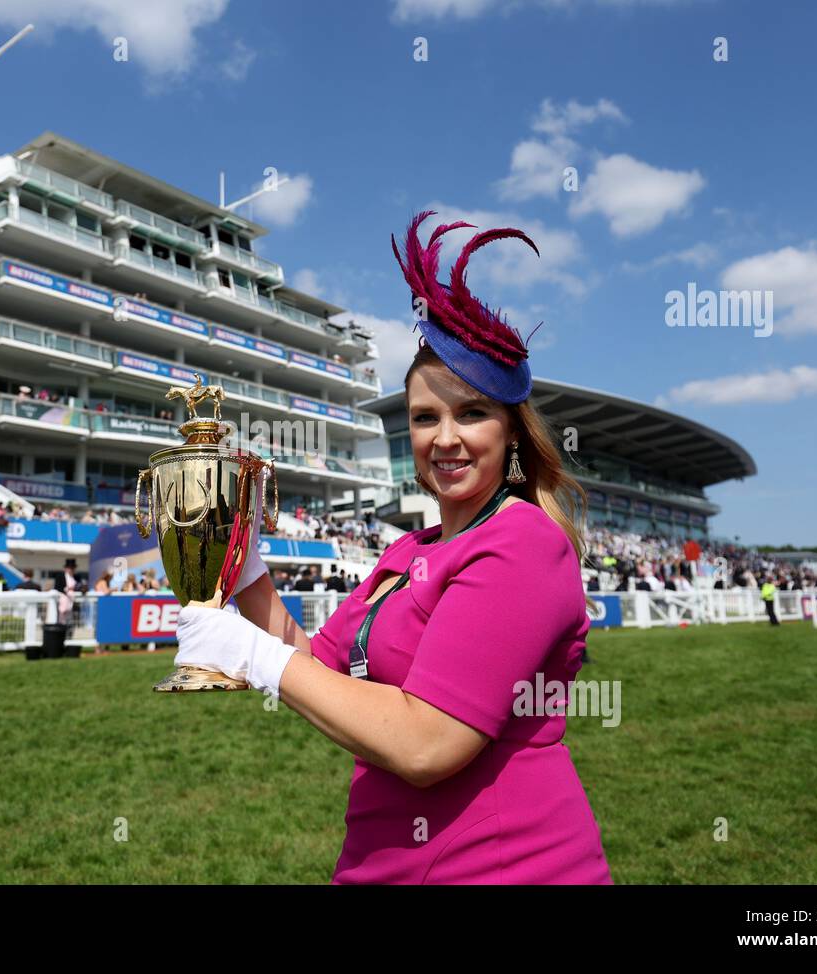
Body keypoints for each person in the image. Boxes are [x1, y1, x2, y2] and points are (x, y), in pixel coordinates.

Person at [173, 212, 610, 884]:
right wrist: (244, 568)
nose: (446, 438)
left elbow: (426, 743)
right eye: (425, 418)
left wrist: (249, 654)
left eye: (472, 413)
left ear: (513, 433)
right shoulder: (406, 551)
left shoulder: (522, 540)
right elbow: (317, 663)